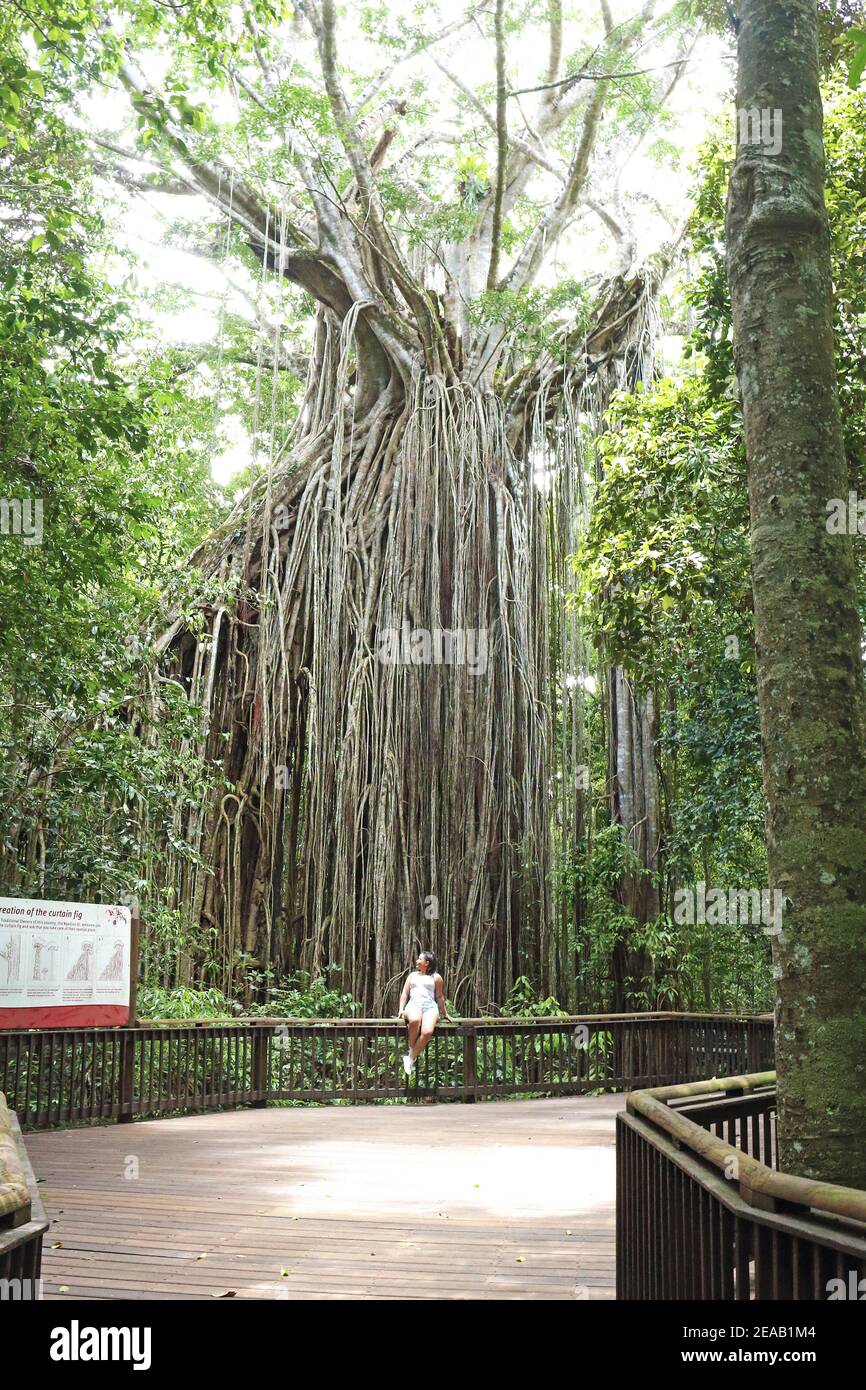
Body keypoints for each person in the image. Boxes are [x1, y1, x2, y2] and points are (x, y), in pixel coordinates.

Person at [398, 951, 447, 1075]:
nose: (417, 961)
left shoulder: (436, 977)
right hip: (414, 1003)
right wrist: (401, 1008)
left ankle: (410, 1058)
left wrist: (445, 1013)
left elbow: (439, 996)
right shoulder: (412, 976)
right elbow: (405, 993)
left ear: (427, 963)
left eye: (420, 959)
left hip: (430, 1006)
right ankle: (411, 1050)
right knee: (414, 1020)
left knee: (427, 1032)